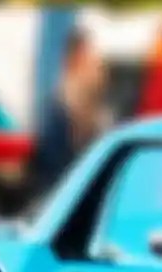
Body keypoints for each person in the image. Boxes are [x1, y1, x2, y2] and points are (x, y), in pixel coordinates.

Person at [31, 27, 107, 194]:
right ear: (75, 58)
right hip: (64, 186)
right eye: (88, 55)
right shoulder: (64, 100)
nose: (95, 62)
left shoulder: (90, 100)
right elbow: (55, 156)